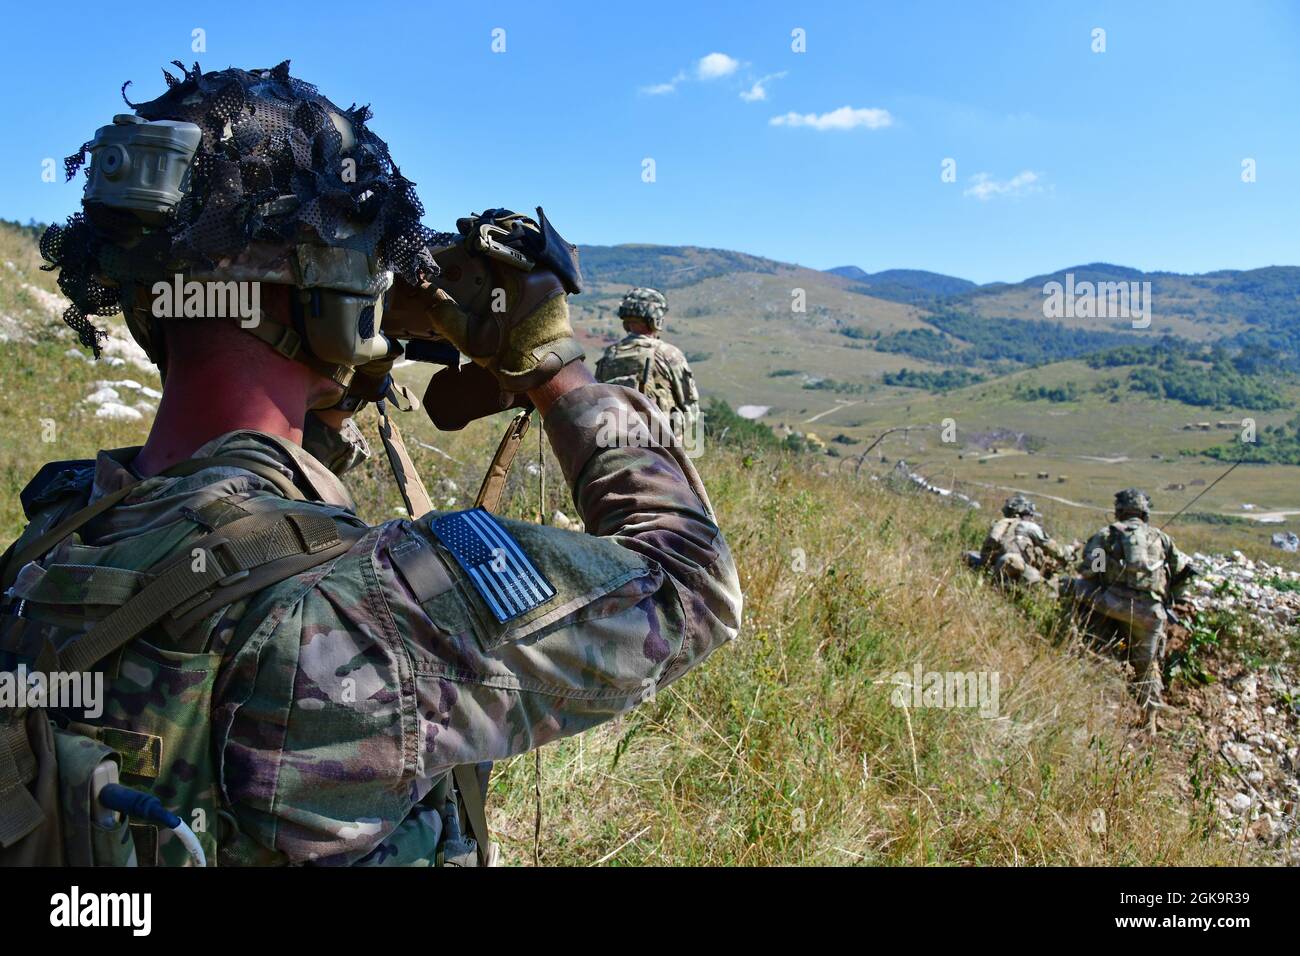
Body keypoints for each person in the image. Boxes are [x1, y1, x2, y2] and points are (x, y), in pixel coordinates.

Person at [0, 62, 741, 867]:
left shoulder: (44, 554)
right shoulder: (365, 610)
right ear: (334, 295)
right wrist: (557, 368)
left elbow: (250, 509)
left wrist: (334, 389)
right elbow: (690, 587)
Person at [1067, 488, 1194, 712]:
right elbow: (1182, 572)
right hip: (1151, 613)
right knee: (1148, 665)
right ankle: (1150, 719)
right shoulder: (1161, 538)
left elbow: (1091, 572)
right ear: (1145, 513)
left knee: (1070, 586)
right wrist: (1174, 600)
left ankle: (1070, 636)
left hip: (1112, 605)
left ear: (1119, 511)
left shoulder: (1107, 534)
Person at [595, 288, 700, 441]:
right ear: (656, 319)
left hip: (616, 442)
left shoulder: (609, 355)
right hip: (661, 446)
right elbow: (690, 406)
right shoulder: (667, 353)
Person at [966, 495, 1070, 587]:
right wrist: (1070, 551)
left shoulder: (1000, 524)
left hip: (995, 566)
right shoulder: (1028, 526)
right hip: (1018, 567)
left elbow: (987, 550)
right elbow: (1055, 549)